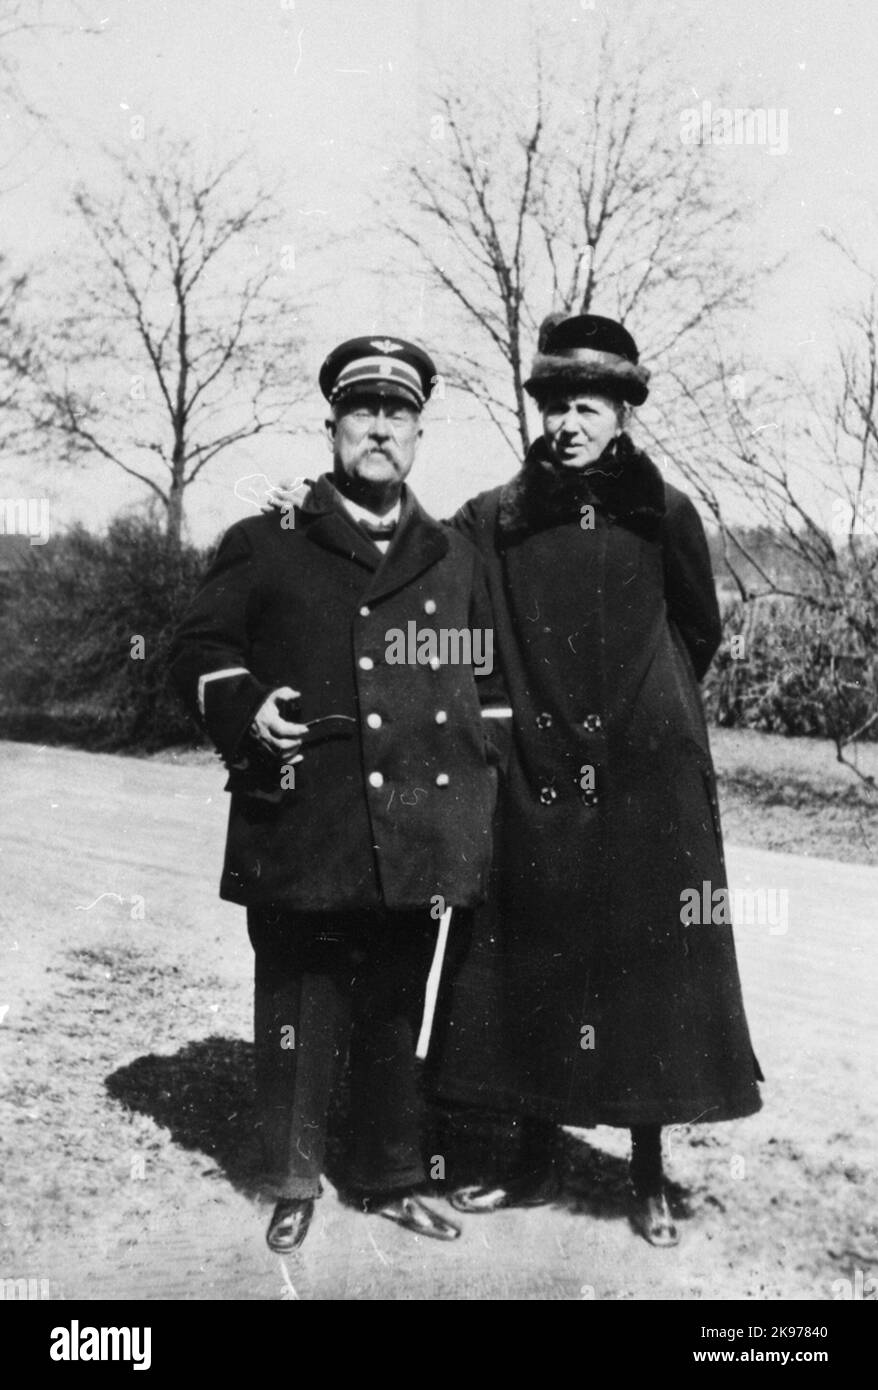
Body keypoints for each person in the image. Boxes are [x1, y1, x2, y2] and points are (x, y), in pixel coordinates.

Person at [424, 313, 763, 1246]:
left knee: (645, 966)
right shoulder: (498, 516)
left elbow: (698, 630)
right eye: (556, 405)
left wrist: (650, 716)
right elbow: (443, 594)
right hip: (533, 766)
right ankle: (531, 1156)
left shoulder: (667, 513)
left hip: (648, 779)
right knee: (533, 952)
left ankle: (645, 1174)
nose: (569, 422)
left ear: (622, 413)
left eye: (588, 405)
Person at [169, 335, 501, 1253]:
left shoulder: (454, 558)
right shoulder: (266, 540)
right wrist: (243, 705)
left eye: (398, 416)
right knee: (299, 1003)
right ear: (333, 428)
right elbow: (197, 651)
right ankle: (291, 1177)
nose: (381, 430)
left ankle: (391, 1171)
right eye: (364, 413)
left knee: (397, 1003)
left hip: (416, 828)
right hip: (306, 815)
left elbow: (482, 685)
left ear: (420, 435)